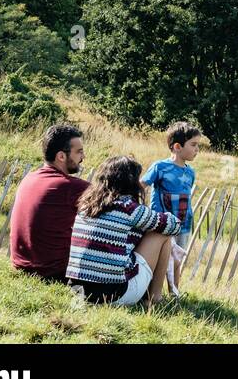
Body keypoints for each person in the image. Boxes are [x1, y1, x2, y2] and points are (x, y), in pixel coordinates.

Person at [66, 156, 181, 309]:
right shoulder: (128, 208)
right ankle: (154, 299)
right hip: (113, 294)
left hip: (78, 292)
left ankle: (152, 297)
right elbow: (174, 226)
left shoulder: (86, 206)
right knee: (161, 234)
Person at [9, 124, 90, 282]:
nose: (83, 157)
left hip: (20, 266)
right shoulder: (72, 186)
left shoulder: (29, 178)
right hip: (54, 273)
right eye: (79, 152)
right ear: (61, 156)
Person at [140, 122, 200, 296]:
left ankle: (174, 292)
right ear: (177, 147)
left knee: (177, 258)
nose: (197, 149)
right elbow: (142, 184)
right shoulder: (160, 167)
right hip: (163, 223)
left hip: (183, 223)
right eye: (193, 145)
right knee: (159, 257)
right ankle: (149, 291)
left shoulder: (191, 172)